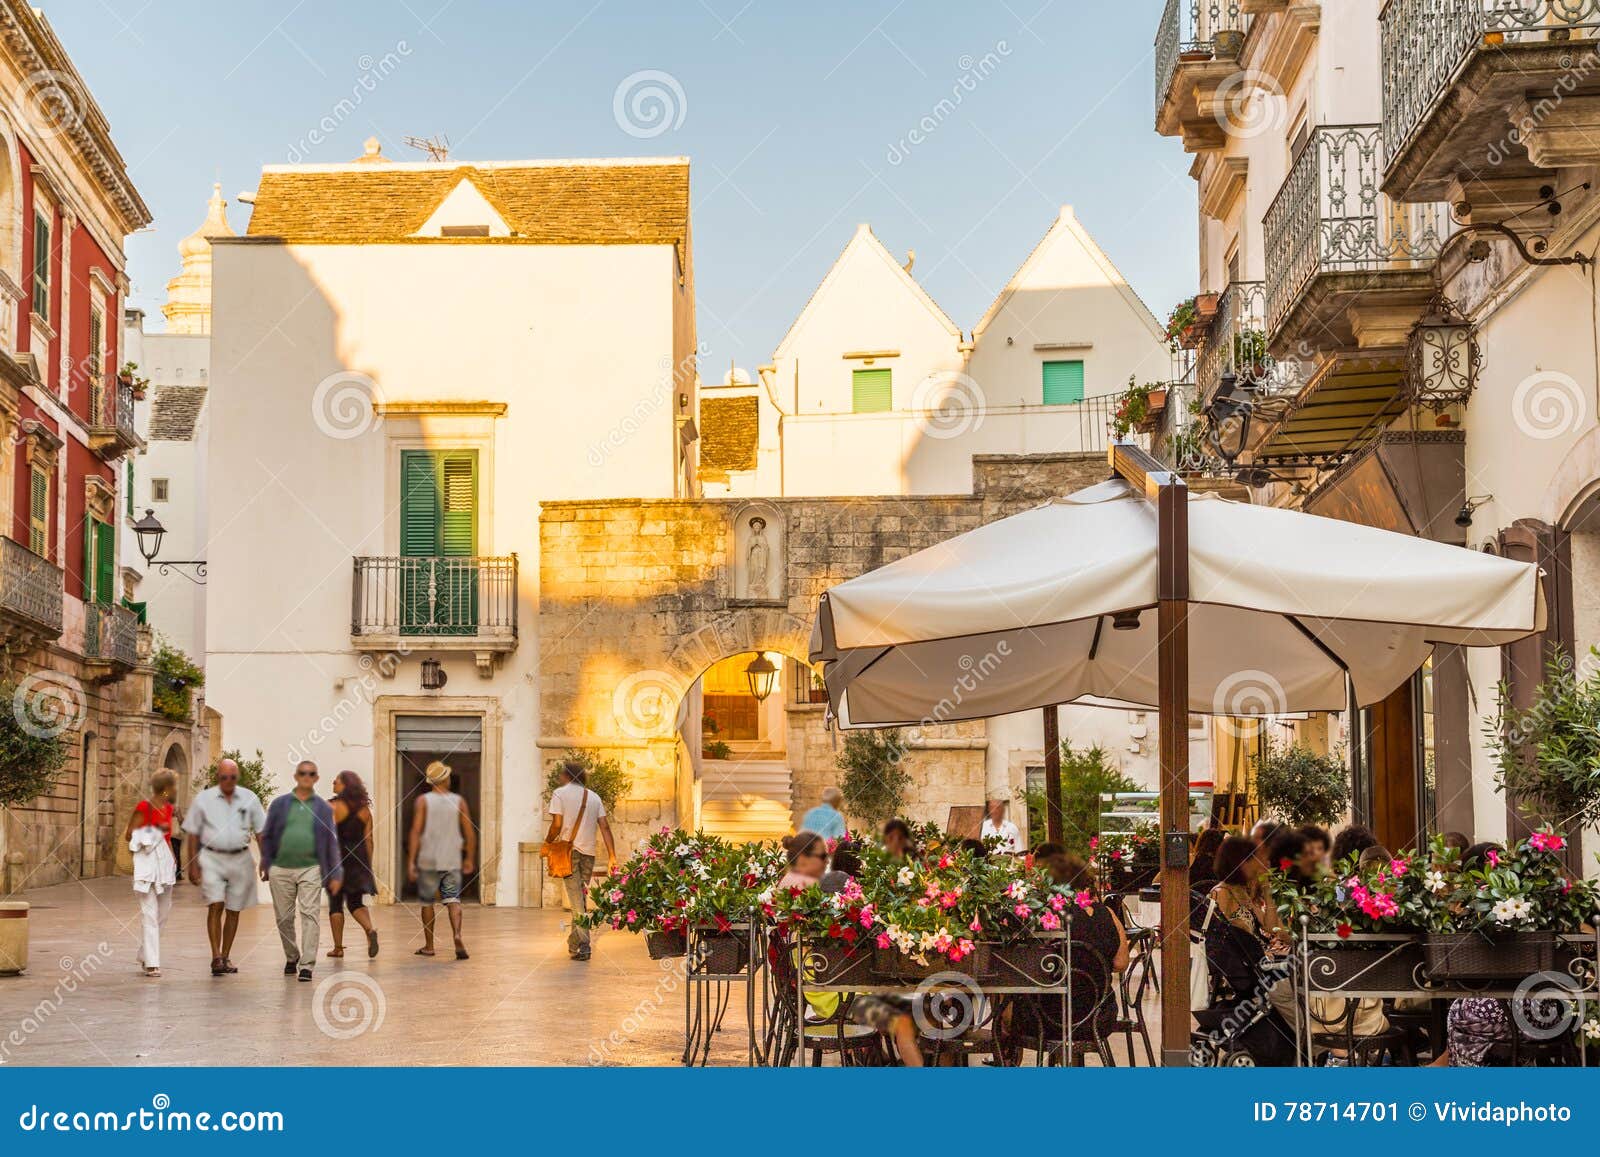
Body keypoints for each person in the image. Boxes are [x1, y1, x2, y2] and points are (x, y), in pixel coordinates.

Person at [259, 761, 343, 981]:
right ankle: (292, 955)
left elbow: (330, 841)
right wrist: (265, 862)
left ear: (316, 778)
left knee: (310, 914)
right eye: (303, 773)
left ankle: (307, 965)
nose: (306, 777)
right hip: (280, 867)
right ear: (296, 776)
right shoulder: (279, 804)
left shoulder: (323, 808)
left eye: (311, 774)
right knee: (283, 917)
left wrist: (335, 872)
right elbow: (268, 834)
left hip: (311, 867)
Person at [184, 756, 267, 977]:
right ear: (217, 777)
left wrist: (265, 859)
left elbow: (260, 831)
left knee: (234, 909)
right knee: (215, 905)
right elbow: (193, 833)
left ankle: (226, 955)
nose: (228, 780)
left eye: (232, 776)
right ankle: (216, 957)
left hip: (240, 859)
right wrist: (192, 865)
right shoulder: (205, 799)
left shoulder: (249, 798)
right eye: (224, 776)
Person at [545, 758, 618, 962]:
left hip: (569, 853)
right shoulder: (593, 797)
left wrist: (548, 841)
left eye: (562, 774)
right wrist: (612, 855)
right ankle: (573, 942)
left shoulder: (559, 794)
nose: (560, 777)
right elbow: (605, 827)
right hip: (589, 854)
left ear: (567, 775)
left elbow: (556, 825)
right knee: (579, 900)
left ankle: (584, 945)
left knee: (577, 901)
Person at [408, 760, 477, 960]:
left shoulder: (423, 801)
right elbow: (469, 832)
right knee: (453, 899)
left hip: (428, 859)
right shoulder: (458, 801)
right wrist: (469, 857)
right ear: (446, 780)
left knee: (427, 902)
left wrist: (411, 861)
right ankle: (457, 935)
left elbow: (416, 831)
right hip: (451, 858)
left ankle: (429, 946)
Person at [125, 770, 179, 977]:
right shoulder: (144, 807)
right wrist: (155, 829)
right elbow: (129, 835)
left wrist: (173, 860)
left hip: (165, 864)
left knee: (163, 913)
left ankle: (144, 954)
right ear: (166, 787)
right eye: (174, 785)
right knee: (149, 913)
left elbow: (168, 838)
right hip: (147, 863)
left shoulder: (168, 808)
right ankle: (152, 963)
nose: (175, 789)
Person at [327, 771, 379, 958]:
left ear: (344, 785)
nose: (333, 782)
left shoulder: (332, 806)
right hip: (358, 860)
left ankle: (338, 948)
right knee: (355, 902)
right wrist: (367, 865)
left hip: (338, 858)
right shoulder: (365, 810)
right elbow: (369, 840)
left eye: (336, 781)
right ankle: (369, 929)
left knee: (335, 904)